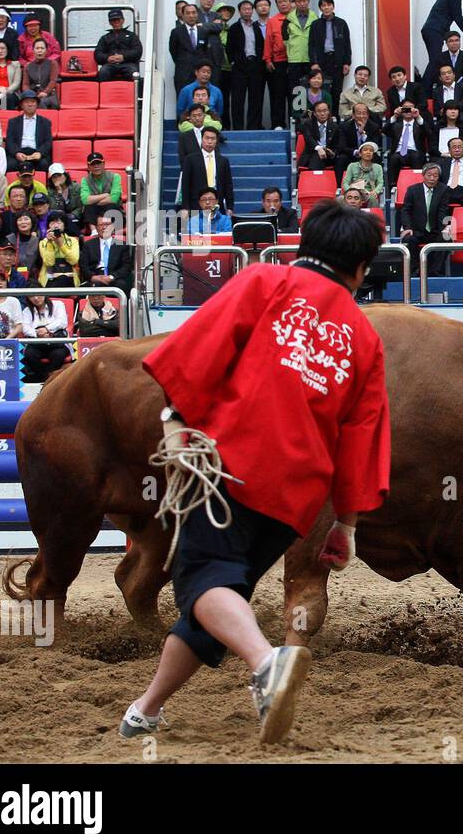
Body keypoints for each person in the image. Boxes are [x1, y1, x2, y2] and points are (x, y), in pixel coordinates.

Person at [120, 200, 390, 745]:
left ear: (302, 243)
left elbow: (199, 352)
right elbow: (363, 439)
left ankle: (268, 664)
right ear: (361, 269)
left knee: (203, 581)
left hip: (230, 466)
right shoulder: (364, 338)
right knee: (221, 597)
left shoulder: (265, 279)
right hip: (296, 499)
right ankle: (144, 710)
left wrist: (175, 418)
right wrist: (347, 527)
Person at [421, 0, 463, 90]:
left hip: (431, 30)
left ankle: (431, 88)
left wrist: (447, 36)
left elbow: (446, 16)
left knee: (435, 61)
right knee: (435, 61)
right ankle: (423, 91)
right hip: (434, 30)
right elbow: (457, 16)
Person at [398, 163, 451, 274]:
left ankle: (434, 271)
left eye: (435, 176)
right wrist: (407, 227)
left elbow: (443, 210)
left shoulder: (444, 190)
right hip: (417, 230)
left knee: (446, 238)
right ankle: (415, 270)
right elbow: (405, 210)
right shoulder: (412, 190)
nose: (432, 178)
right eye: (429, 175)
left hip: (435, 230)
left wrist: (443, 228)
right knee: (408, 239)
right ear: (423, 175)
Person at [227, 0, 266, 131]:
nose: (247, 11)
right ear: (240, 11)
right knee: (238, 99)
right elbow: (229, 48)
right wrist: (234, 61)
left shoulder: (257, 27)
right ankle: (237, 127)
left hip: (255, 65)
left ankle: (253, 126)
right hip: (239, 67)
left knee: (256, 98)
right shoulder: (234, 28)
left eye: (249, 9)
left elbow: (261, 45)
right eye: (244, 9)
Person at [309, 0, 351, 111]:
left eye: (329, 5)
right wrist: (314, 62)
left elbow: (347, 44)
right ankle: (321, 115)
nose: (326, 7)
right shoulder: (315, 24)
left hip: (337, 61)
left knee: (337, 90)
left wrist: (347, 63)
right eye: (323, 5)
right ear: (320, 8)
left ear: (333, 6)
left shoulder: (341, 23)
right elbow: (311, 45)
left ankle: (335, 117)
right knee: (322, 90)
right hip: (322, 62)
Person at [20, 294, 69, 383]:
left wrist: (47, 329)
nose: (36, 298)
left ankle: (48, 379)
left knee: (58, 354)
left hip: (56, 341)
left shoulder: (58, 304)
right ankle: (45, 378)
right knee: (29, 354)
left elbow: (63, 322)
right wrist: (37, 334)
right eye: (32, 296)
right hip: (37, 343)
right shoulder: (27, 311)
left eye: (38, 294)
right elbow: (25, 328)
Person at [79, 213, 133, 293]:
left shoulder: (122, 245)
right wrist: (93, 277)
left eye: (107, 224)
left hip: (114, 278)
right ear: (96, 228)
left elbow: (126, 267)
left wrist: (111, 277)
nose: (104, 227)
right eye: (100, 225)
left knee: (122, 286)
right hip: (95, 277)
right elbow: (83, 265)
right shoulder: (88, 245)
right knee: (85, 288)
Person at [263, 0, 292, 130]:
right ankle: (278, 124)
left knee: (296, 94)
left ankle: (296, 123)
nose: (283, 4)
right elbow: (268, 41)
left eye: (285, 1)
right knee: (278, 95)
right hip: (278, 61)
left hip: (295, 62)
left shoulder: (297, 18)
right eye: (280, 2)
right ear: (276, 5)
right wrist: (268, 59)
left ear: (290, 2)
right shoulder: (272, 21)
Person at [386, 100, 430, 188]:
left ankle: (417, 185)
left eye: (410, 108)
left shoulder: (419, 123)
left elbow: (428, 133)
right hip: (398, 152)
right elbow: (385, 131)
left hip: (415, 152)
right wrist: (395, 116)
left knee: (416, 157)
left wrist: (418, 117)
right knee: (393, 158)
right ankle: (393, 187)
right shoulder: (396, 124)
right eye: (405, 108)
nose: (408, 110)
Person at [282, 0, 315, 105]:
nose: (302, 4)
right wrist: (291, 51)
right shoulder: (288, 20)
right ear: (294, 3)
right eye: (299, 1)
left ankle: (310, 117)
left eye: (304, 1)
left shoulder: (315, 18)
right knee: (295, 89)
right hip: (294, 60)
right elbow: (285, 39)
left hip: (310, 59)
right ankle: (295, 117)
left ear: (308, 1)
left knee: (311, 88)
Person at [5, 90, 52, 171]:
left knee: (44, 165)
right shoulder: (13, 122)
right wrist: (17, 153)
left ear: (37, 105)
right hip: (20, 151)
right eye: (27, 102)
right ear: (22, 105)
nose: (30, 104)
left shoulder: (45, 122)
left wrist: (40, 153)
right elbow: (10, 141)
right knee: (10, 165)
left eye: (33, 102)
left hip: (36, 152)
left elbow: (48, 142)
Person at [336, 101, 384, 176]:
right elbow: (342, 146)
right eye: (358, 113)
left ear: (368, 115)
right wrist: (356, 152)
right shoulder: (345, 127)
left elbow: (375, 145)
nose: (361, 116)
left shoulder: (374, 127)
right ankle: (339, 186)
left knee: (377, 159)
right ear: (353, 115)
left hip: (368, 154)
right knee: (341, 159)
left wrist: (362, 133)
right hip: (352, 153)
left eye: (364, 113)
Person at [95, 9, 142, 82]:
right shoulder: (105, 38)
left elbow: (137, 51)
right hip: (110, 64)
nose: (116, 22)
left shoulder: (131, 36)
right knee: (103, 72)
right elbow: (97, 54)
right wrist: (107, 58)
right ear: (110, 22)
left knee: (133, 72)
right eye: (113, 20)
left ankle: (135, 93)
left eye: (118, 20)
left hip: (128, 63)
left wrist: (124, 57)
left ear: (123, 20)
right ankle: (105, 93)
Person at [35, 214, 80, 287]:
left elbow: (73, 260)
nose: (56, 226)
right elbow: (49, 263)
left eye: (59, 223)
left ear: (64, 225)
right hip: (49, 279)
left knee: (63, 279)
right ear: (48, 226)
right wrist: (49, 243)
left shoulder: (73, 241)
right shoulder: (43, 242)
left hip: (70, 278)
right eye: (52, 223)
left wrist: (61, 245)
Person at [436, 135, 463, 207]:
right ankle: (446, 218)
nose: (457, 150)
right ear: (449, 150)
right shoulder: (441, 163)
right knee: (436, 203)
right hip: (446, 191)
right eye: (454, 147)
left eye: (459, 147)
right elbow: (437, 179)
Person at [297, 100, 340, 172]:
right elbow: (309, 138)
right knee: (318, 157)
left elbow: (337, 145)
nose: (322, 113)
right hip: (311, 155)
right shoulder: (308, 124)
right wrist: (319, 148)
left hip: (328, 157)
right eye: (319, 111)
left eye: (325, 110)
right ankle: (316, 181)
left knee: (341, 159)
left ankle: (339, 183)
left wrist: (332, 153)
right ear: (314, 113)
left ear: (328, 112)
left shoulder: (334, 126)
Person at [22, 38, 59, 109]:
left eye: (42, 48)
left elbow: (53, 81)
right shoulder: (28, 66)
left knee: (41, 102)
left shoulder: (53, 63)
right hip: (33, 95)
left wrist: (45, 92)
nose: (40, 51)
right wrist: (29, 94)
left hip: (49, 95)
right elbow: (25, 84)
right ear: (33, 50)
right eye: (37, 48)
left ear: (46, 51)